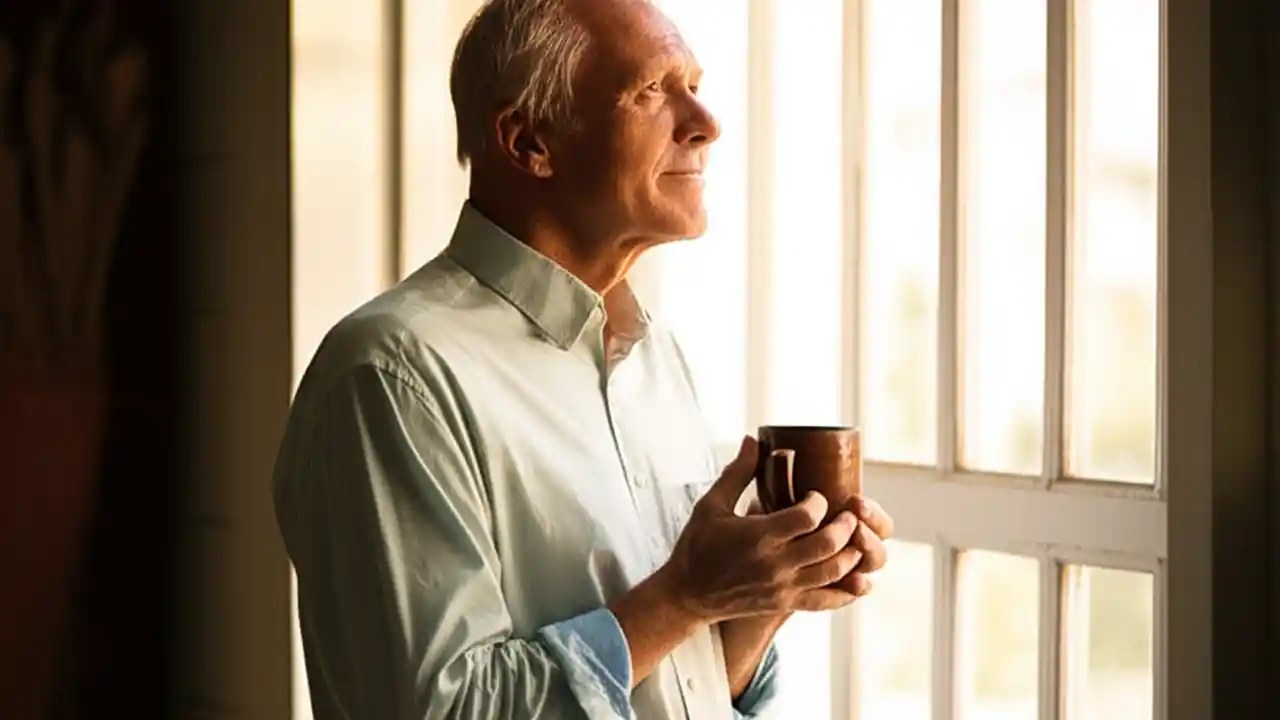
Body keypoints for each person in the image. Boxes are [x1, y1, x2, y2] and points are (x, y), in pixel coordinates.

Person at [272, 0, 895, 717]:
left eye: (695, 85)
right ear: (529, 140)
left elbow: (670, 683)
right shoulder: (392, 375)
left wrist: (760, 596)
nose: (706, 122)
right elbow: (441, 708)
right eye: (652, 90)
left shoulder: (656, 358)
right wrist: (686, 595)